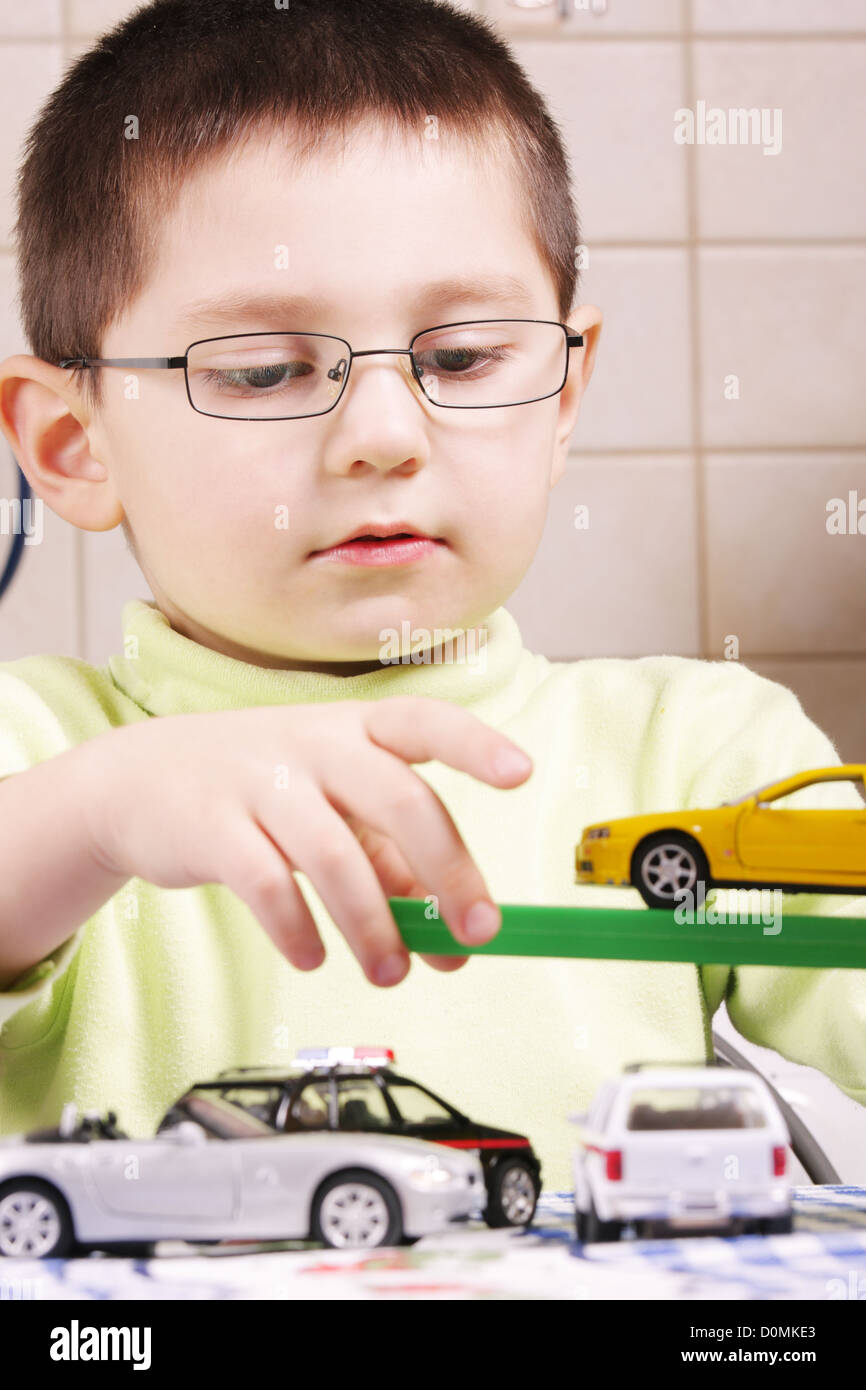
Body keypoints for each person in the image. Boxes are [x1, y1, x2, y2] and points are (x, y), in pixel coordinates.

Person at [0, 0, 862, 1193]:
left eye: (459, 358)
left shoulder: (697, 755)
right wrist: (88, 817)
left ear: (561, 394)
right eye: (262, 370)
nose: (383, 435)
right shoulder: (36, 753)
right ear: (73, 442)